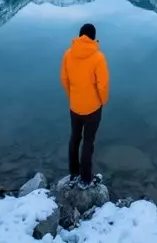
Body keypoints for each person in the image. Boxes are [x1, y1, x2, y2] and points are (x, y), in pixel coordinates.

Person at [60, 23, 109, 189]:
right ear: (93, 38)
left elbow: (64, 79)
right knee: (88, 142)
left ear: (80, 36)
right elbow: (102, 85)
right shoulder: (98, 57)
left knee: (74, 138)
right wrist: (103, 100)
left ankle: (74, 173)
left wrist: (72, 96)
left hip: (74, 107)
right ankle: (86, 178)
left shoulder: (68, 54)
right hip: (93, 108)